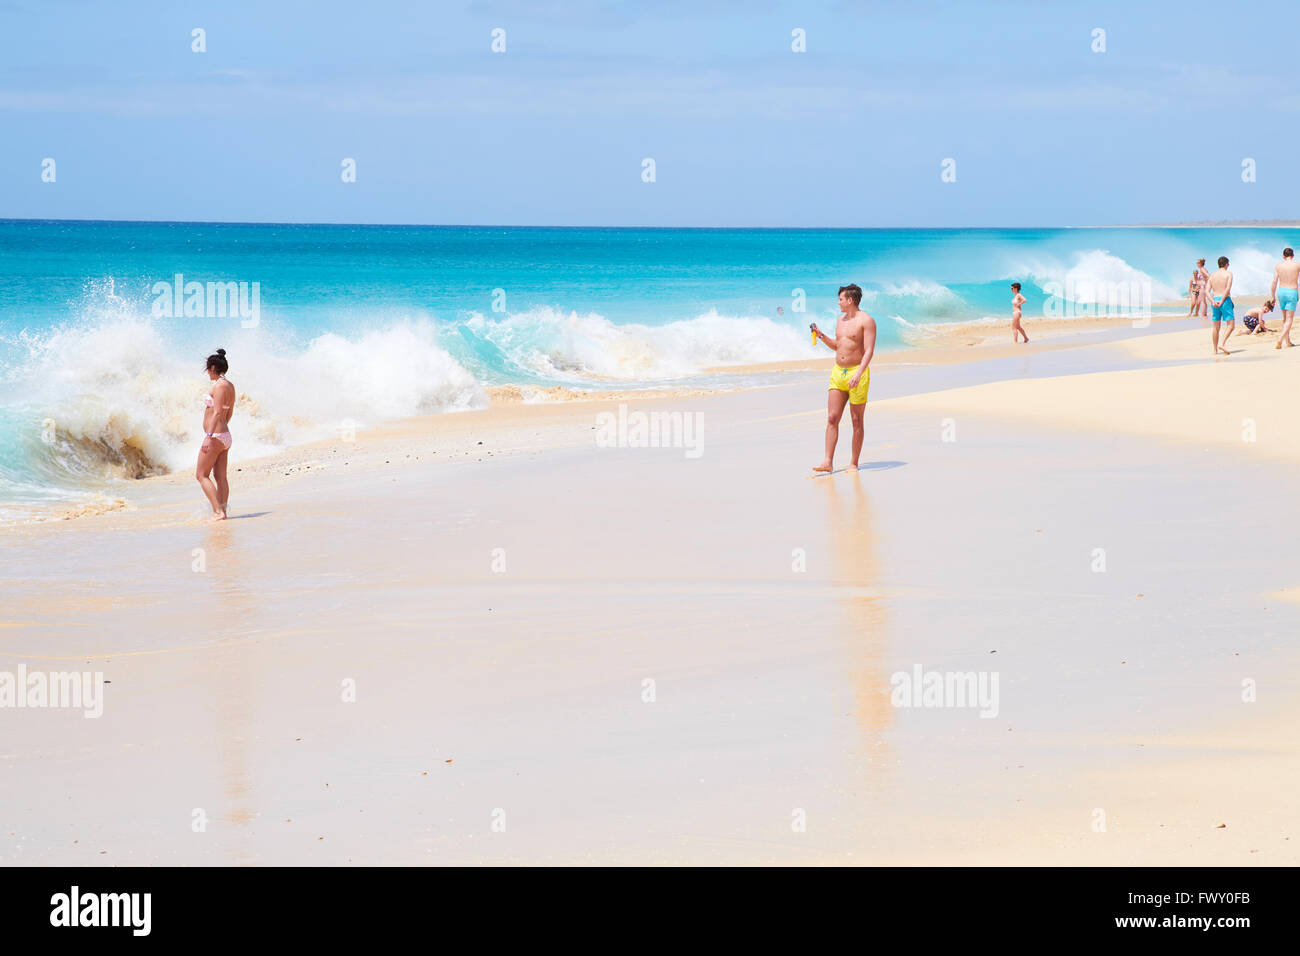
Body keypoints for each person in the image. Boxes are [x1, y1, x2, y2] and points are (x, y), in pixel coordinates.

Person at [810, 284, 876, 473]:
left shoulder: (867, 321)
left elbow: (869, 351)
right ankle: (827, 462)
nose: (838, 303)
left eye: (840, 299)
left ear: (850, 300)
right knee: (832, 418)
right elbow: (838, 346)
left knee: (856, 420)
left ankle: (854, 463)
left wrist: (859, 373)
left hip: (858, 373)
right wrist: (821, 335)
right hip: (838, 373)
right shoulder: (840, 320)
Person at [196, 348, 236, 521]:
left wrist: (209, 435)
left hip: (215, 436)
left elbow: (218, 412)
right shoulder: (230, 386)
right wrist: (222, 430)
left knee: (201, 475)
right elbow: (229, 412)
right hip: (224, 436)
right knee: (220, 477)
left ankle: (218, 512)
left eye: (208, 370)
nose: (208, 373)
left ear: (213, 368)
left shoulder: (219, 386)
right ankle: (223, 511)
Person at [1269, 247, 1299, 348]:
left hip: (1281, 292)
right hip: (1292, 291)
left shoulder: (1278, 266)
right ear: (1293, 255)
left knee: (1285, 318)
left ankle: (1288, 341)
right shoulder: (1297, 265)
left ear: (1283, 256)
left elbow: (1274, 282)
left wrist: (1272, 296)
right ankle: (1280, 339)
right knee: (1289, 319)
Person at [1206, 257, 1235, 355]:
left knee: (1215, 327)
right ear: (1226, 264)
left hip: (1215, 300)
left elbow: (1207, 291)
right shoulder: (1228, 274)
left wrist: (1212, 301)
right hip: (1225, 300)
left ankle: (1215, 350)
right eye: (1228, 264)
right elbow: (1227, 288)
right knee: (1231, 325)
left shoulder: (1212, 275)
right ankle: (1222, 344)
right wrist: (1222, 301)